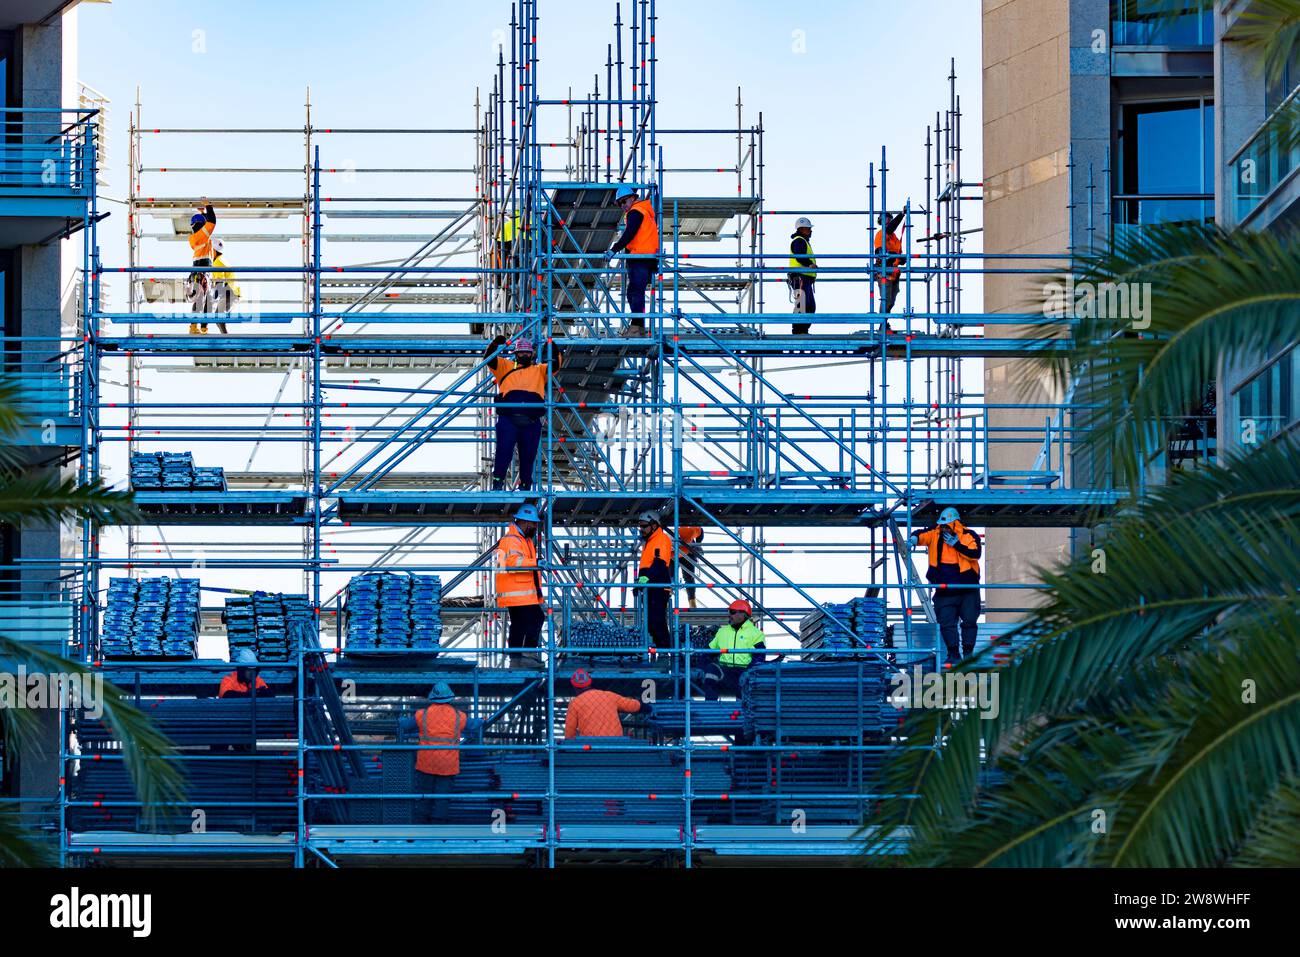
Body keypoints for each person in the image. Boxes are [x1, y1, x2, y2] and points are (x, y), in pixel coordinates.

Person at [484, 333, 564, 491]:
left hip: (531, 420)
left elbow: (555, 366)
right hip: (508, 418)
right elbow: (489, 359)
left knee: (528, 456)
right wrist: (494, 345)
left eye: (527, 353)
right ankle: (498, 483)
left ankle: (526, 485)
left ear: (532, 354)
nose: (524, 355)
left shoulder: (539, 370)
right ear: (515, 354)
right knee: (503, 452)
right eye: (521, 352)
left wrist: (552, 347)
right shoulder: (505, 367)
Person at [397, 682, 481, 825]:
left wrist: (400, 719)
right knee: (442, 797)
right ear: (450, 698)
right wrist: (482, 721)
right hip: (448, 764)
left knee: (424, 795)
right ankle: (439, 826)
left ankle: (421, 826)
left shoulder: (422, 714)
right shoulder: (458, 716)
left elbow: (405, 725)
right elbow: (474, 725)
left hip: (426, 763)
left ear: (432, 697)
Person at [908, 506, 982, 666]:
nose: (944, 529)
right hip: (944, 589)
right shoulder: (935, 533)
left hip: (967, 589)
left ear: (956, 524)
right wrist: (913, 539)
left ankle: (968, 654)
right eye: (943, 525)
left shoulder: (969, 535)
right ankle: (953, 654)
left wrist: (957, 545)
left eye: (948, 525)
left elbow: (975, 554)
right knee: (947, 622)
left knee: (969, 621)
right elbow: (920, 535)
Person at [495, 503, 545, 668]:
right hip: (517, 591)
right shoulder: (512, 539)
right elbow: (513, 561)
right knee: (534, 618)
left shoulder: (523, 539)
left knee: (519, 623)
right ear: (524, 522)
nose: (535, 526)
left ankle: (518, 657)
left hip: (520, 591)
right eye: (533, 523)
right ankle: (525, 655)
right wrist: (536, 562)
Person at [605, 185, 660, 333]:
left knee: (635, 291)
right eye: (620, 204)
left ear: (632, 198)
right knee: (634, 291)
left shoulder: (635, 212)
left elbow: (630, 233)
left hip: (640, 257)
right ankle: (638, 325)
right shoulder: (644, 211)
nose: (623, 206)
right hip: (645, 257)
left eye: (624, 201)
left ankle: (637, 327)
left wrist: (614, 249)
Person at [703, 599, 767, 701]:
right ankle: (710, 707)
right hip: (725, 671)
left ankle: (742, 710)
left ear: (743, 614)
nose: (729, 615)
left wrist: (748, 671)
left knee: (746, 679)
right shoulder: (722, 631)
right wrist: (703, 667)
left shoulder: (756, 633)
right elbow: (708, 652)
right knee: (711, 669)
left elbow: (759, 657)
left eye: (732, 612)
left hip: (744, 671)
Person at [564, 668, 650, 738]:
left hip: (590, 745)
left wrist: (569, 745)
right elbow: (632, 705)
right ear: (590, 682)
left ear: (574, 686)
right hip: (615, 743)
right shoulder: (609, 696)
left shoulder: (575, 703)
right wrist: (647, 707)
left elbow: (570, 729)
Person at [636, 510, 673, 649]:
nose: (642, 530)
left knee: (657, 621)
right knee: (651, 623)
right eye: (640, 527)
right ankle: (661, 651)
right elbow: (647, 564)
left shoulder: (661, 539)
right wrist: (640, 584)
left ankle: (668, 653)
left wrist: (646, 578)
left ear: (654, 525)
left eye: (644, 526)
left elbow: (659, 564)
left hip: (658, 586)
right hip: (650, 586)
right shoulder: (649, 541)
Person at [787, 217, 817, 335]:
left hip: (805, 278)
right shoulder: (799, 241)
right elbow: (799, 256)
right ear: (802, 229)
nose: (810, 231)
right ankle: (798, 331)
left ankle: (803, 330)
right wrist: (809, 264)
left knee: (809, 306)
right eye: (808, 229)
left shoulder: (802, 241)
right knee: (802, 305)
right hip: (800, 277)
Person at [873, 211, 906, 318]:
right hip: (884, 272)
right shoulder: (881, 234)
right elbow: (881, 253)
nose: (888, 221)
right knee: (885, 300)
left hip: (894, 273)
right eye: (886, 219)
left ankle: (884, 322)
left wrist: (901, 259)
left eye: (889, 219)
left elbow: (897, 253)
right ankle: (882, 325)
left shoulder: (894, 237)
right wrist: (901, 214)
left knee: (891, 302)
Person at [211, 237, 240, 335]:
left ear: (213, 251)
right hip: (232, 292)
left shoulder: (217, 262)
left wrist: (212, 297)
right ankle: (225, 337)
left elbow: (219, 283)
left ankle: (226, 338)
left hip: (230, 293)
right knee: (218, 316)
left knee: (218, 315)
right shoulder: (222, 260)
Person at [678, 525, 703, 609]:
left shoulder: (689, 531)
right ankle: (665, 602)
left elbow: (700, 531)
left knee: (689, 578)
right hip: (673, 554)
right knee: (669, 578)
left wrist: (698, 543)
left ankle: (692, 602)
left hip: (687, 552)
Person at [184, 270, 214, 335]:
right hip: (200, 271)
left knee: (208, 303)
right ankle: (193, 327)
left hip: (206, 273)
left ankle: (203, 328)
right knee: (199, 301)